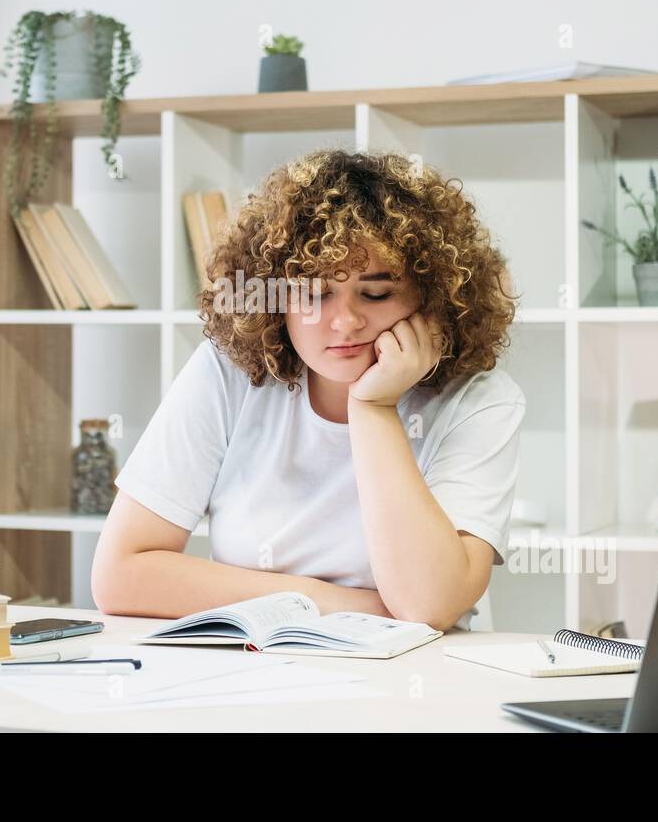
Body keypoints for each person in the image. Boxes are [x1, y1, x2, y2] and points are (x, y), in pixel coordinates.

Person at [92, 148, 526, 631]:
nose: (344, 321)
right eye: (314, 293)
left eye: (377, 293)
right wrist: (331, 602)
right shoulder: (228, 373)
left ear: (433, 295)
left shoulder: (480, 400)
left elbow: (427, 607)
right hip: (250, 677)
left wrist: (375, 407)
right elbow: (119, 574)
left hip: (411, 684)